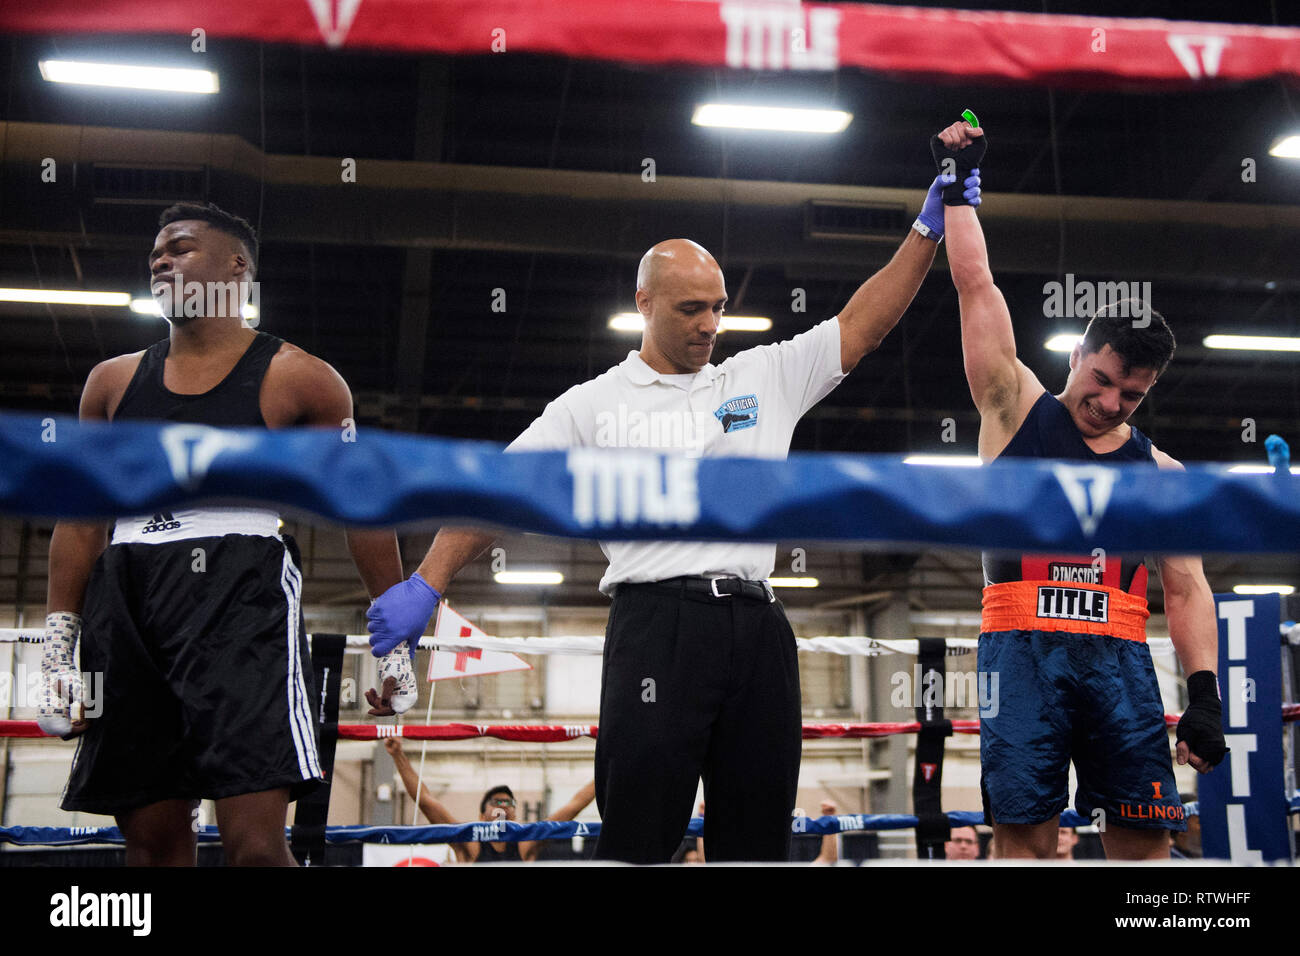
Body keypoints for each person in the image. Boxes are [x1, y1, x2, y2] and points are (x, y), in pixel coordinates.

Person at [366, 170, 976, 862]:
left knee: (756, 846)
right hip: (657, 627)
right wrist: (428, 583)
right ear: (643, 303)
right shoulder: (591, 405)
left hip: (759, 628)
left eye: (717, 306)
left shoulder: (761, 377)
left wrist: (927, 226)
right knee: (639, 838)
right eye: (691, 309)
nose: (710, 324)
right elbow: (500, 489)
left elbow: (864, 324)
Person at [41, 203, 406, 866]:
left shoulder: (302, 377)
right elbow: (79, 519)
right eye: (155, 254)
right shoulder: (112, 383)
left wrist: (395, 648)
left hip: (242, 600)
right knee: (149, 850)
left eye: (179, 248)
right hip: (125, 603)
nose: (160, 261)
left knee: (256, 850)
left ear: (237, 266)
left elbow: (362, 505)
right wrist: (55, 651)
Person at [935, 118, 1227, 860]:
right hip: (1019, 648)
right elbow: (976, 285)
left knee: (1144, 841)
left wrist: (1203, 697)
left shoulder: (1162, 475)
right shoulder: (1013, 405)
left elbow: (1188, 589)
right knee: (1025, 839)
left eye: (1130, 395)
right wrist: (958, 184)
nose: (1107, 403)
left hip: (1120, 658)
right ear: (1076, 354)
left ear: (1149, 389)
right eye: (1100, 381)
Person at [384, 738, 595, 863]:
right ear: (481, 815)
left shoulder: (524, 844)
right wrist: (397, 755)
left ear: (515, 814)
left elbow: (573, 805)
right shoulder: (470, 844)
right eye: (496, 803)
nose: (502, 808)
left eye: (508, 804)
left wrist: (610, 764)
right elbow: (427, 801)